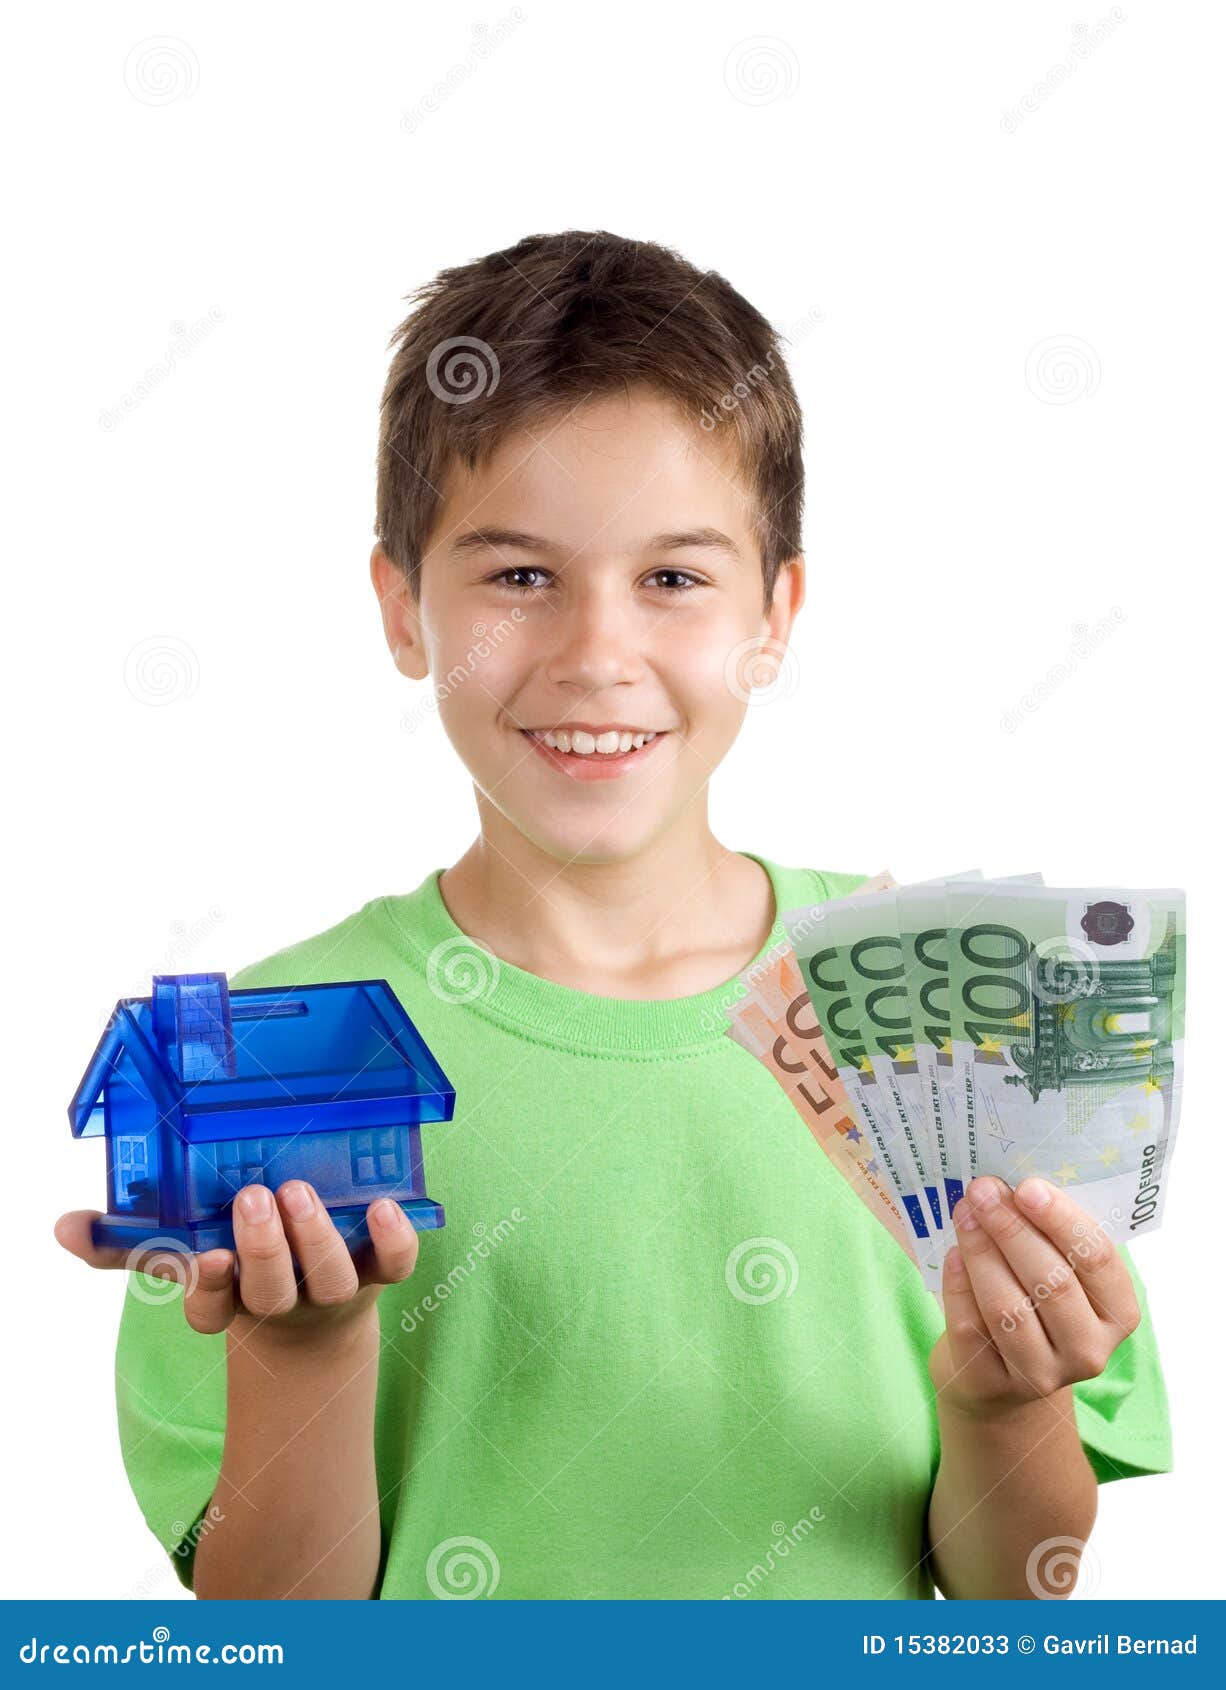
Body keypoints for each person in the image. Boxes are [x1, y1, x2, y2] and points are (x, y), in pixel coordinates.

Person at [55, 230, 1171, 1601]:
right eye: (519, 576)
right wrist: (306, 1351)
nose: (597, 655)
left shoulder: (938, 1020)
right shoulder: (263, 1063)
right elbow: (279, 1640)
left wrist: (1004, 1405)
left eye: (673, 579)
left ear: (775, 611)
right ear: (402, 609)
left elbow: (1014, 1596)